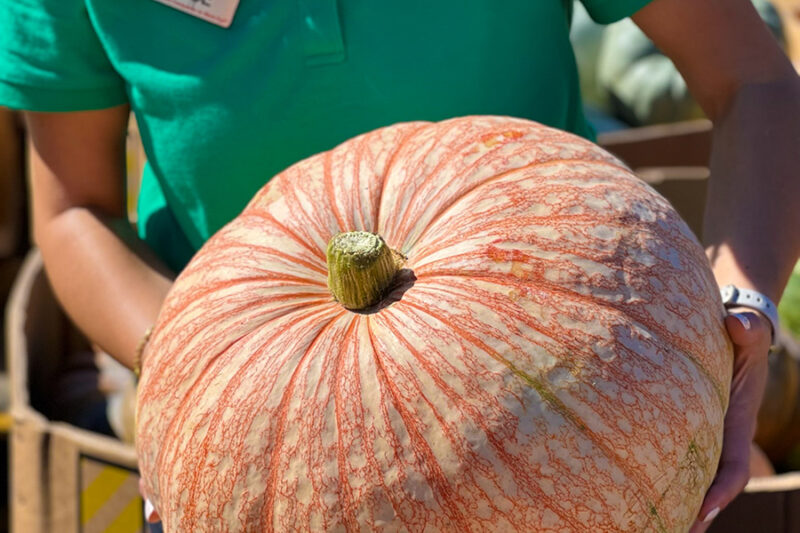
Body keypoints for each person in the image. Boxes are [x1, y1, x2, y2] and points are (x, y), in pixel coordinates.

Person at [1, 0, 798, 530]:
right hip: (230, 377)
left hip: (581, 360)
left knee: (738, 480)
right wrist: (201, 384)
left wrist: (741, 304)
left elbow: (756, 82)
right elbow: (73, 211)